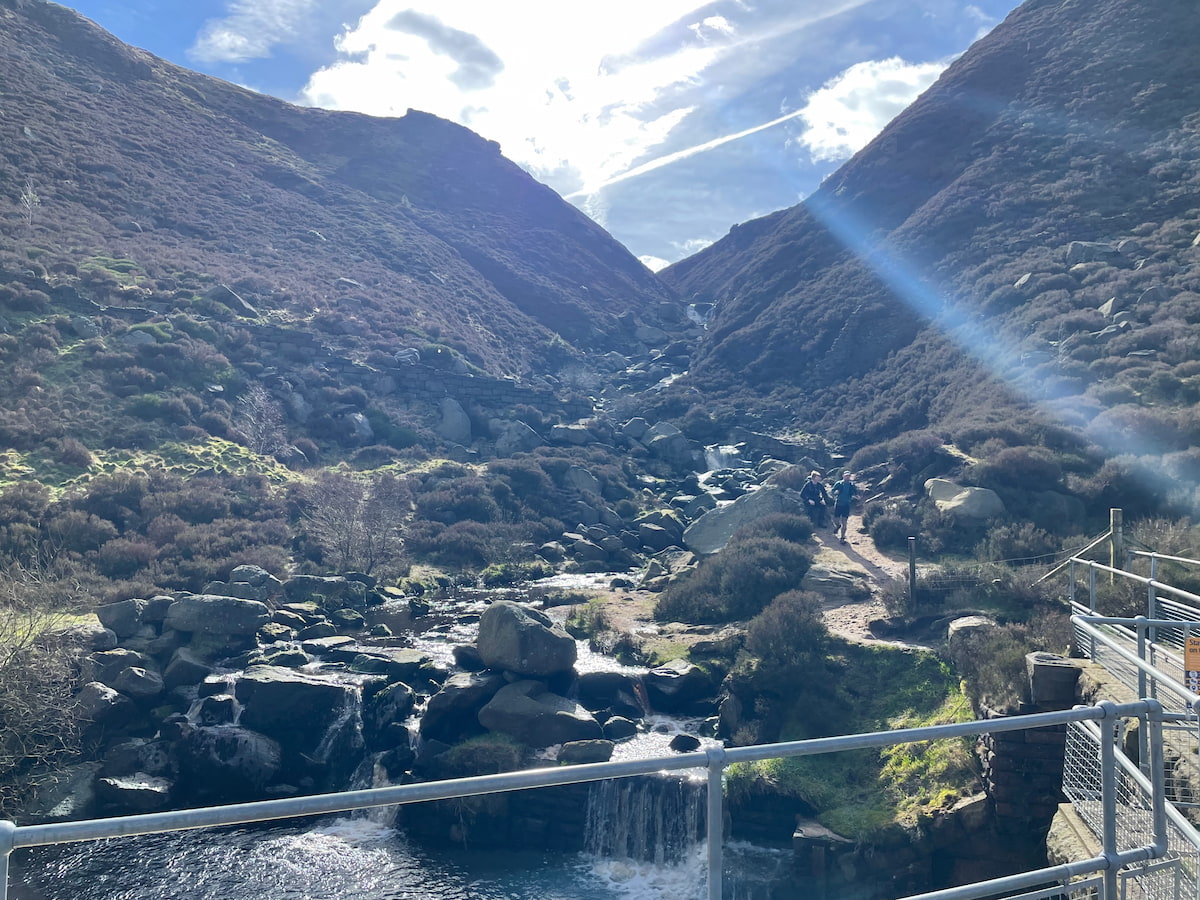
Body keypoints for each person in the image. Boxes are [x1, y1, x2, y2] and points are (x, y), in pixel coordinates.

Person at [830, 471, 858, 543]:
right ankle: (838, 526)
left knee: (844, 522)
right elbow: (832, 491)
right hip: (838, 504)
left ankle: (842, 537)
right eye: (846, 476)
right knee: (835, 519)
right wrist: (835, 493)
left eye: (848, 476)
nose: (847, 477)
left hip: (846, 505)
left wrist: (856, 496)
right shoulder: (839, 484)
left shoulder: (852, 485)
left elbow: (856, 492)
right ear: (843, 476)